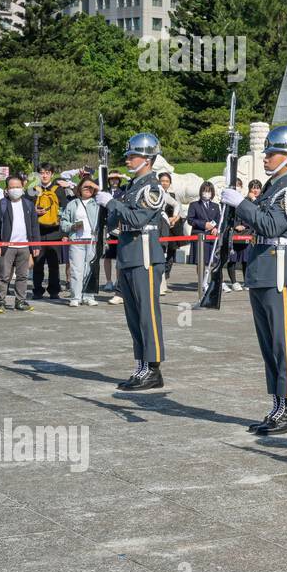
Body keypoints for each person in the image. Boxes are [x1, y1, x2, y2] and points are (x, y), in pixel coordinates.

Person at [220, 125, 287, 435]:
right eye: (267, 152)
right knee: (268, 344)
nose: (267, 157)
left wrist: (240, 203)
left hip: (279, 272)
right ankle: (277, 405)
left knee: (283, 343)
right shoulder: (273, 187)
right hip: (261, 270)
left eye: (272, 153)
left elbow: (270, 225)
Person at [95, 133, 168, 391]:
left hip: (144, 256)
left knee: (147, 315)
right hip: (128, 254)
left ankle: (153, 367)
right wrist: (107, 204)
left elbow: (138, 220)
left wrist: (112, 202)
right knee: (134, 317)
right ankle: (141, 366)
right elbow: (117, 222)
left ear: (147, 159)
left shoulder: (152, 187)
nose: (128, 159)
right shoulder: (130, 188)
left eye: (133, 155)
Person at [0, 175, 40, 312]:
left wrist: (35, 246)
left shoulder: (28, 204)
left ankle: (21, 301)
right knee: (4, 276)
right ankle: (0, 302)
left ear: (23, 188)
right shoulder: (1, 204)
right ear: (6, 189)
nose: (15, 190)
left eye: (17, 187)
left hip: (24, 246)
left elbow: (35, 226)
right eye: (12, 187)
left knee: (23, 276)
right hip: (7, 247)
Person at [29, 163, 71, 300]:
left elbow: (65, 212)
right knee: (38, 264)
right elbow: (25, 208)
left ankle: (54, 290)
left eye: (47, 172)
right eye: (42, 172)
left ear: (52, 174)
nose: (44, 175)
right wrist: (34, 211)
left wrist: (65, 234)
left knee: (54, 264)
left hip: (55, 232)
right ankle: (37, 290)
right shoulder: (33, 189)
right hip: (37, 233)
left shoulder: (58, 189)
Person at [60, 177, 102, 307]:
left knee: (90, 269)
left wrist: (97, 187)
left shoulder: (97, 203)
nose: (88, 189)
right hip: (77, 240)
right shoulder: (73, 204)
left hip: (92, 241)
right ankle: (75, 296)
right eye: (85, 187)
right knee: (76, 269)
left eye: (91, 187)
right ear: (79, 189)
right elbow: (63, 222)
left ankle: (89, 295)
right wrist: (73, 226)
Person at [226, 180, 261, 291]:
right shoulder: (243, 201)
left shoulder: (260, 201)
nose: (255, 190)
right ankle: (234, 281)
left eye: (258, 188)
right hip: (237, 232)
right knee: (233, 258)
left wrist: (245, 226)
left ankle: (247, 280)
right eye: (253, 188)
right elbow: (234, 215)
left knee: (246, 259)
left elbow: (257, 216)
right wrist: (237, 225)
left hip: (249, 233)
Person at [157, 171, 182, 295]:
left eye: (167, 181)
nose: (164, 183)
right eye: (162, 181)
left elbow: (176, 205)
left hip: (163, 224)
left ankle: (162, 284)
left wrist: (174, 217)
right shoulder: (153, 191)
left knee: (162, 253)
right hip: (149, 223)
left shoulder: (165, 194)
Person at [186, 181, 221, 271]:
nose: (207, 193)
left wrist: (216, 228)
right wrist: (204, 224)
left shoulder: (216, 206)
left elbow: (219, 219)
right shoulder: (194, 205)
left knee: (212, 261)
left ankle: (211, 282)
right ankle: (201, 282)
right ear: (201, 192)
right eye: (205, 191)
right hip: (199, 235)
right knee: (200, 261)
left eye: (209, 191)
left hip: (211, 236)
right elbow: (190, 219)